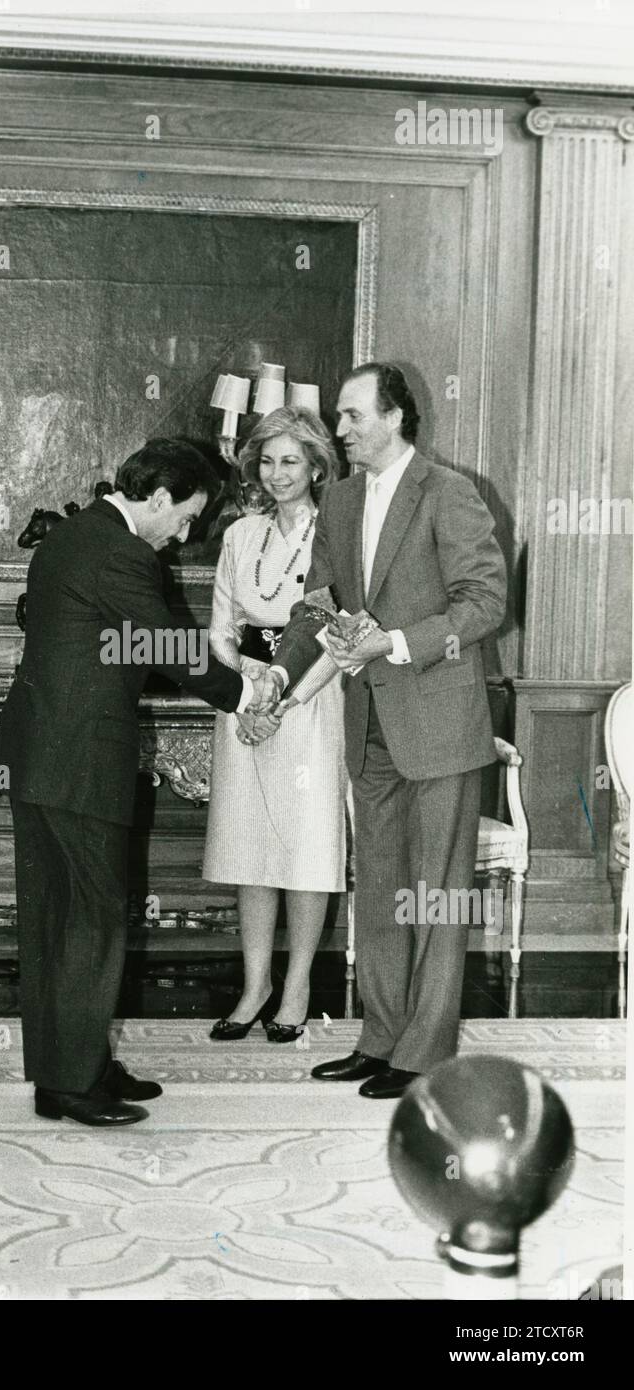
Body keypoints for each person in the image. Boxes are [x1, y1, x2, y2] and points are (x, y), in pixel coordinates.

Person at [0, 439, 256, 1127]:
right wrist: (245, 694)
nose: (183, 535)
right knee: (92, 919)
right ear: (157, 497)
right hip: (78, 759)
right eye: (185, 518)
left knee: (55, 917)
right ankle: (72, 1084)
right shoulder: (120, 552)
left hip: (41, 752)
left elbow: (124, 642)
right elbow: (164, 644)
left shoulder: (75, 536)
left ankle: (73, 1066)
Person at [252, 363, 507, 1098]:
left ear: (395, 418)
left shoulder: (450, 493)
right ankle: (381, 1039)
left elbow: (485, 601)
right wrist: (279, 676)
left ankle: (423, 1053)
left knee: (436, 896)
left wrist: (392, 644)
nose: (340, 430)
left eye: (354, 416)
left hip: (440, 724)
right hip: (368, 724)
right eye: (340, 416)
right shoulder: (339, 500)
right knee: (381, 892)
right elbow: (317, 603)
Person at [202, 407, 346, 1042]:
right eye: (267, 461)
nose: (277, 473)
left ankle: (297, 987)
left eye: (290, 460)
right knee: (250, 845)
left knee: (305, 845)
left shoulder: (336, 533)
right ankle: (255, 983)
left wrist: (283, 700)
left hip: (311, 699)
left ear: (316, 466)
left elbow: (338, 632)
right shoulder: (241, 535)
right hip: (245, 700)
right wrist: (243, 694)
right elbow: (222, 627)